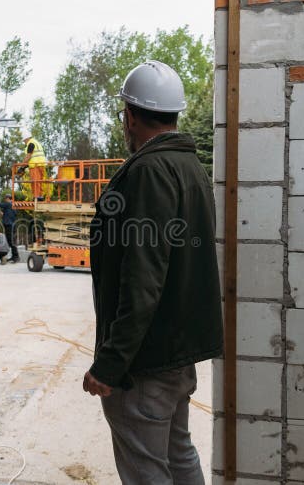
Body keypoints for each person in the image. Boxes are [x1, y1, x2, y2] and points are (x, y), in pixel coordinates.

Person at [83, 60, 224, 485]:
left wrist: (111, 363)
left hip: (145, 362)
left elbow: (143, 280)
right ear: (174, 113)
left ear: (130, 116)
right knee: (179, 457)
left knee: (148, 472)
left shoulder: (147, 171)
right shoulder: (191, 169)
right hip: (175, 356)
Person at [22, 132, 47, 201]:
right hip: (41, 164)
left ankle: (36, 196)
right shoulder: (36, 142)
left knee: (35, 181)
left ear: (26, 138)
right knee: (39, 181)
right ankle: (40, 196)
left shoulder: (31, 143)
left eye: (24, 140)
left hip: (35, 166)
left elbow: (28, 156)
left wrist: (22, 166)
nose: (24, 142)